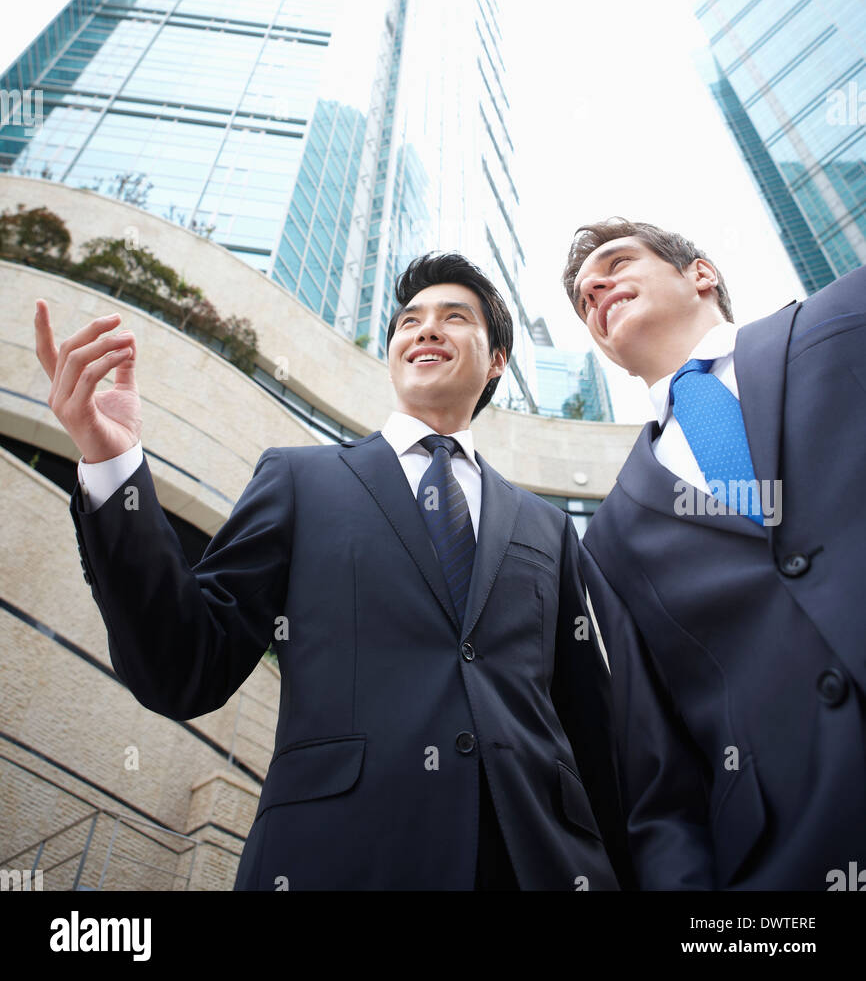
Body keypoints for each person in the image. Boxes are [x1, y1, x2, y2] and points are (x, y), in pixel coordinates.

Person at [34, 251, 632, 891]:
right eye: (409, 321)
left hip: (538, 864)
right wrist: (114, 467)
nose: (426, 329)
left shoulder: (547, 527)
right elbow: (186, 665)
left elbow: (594, 735)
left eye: (454, 317)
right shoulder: (300, 479)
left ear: (495, 362)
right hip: (334, 856)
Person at [562, 217, 866, 891]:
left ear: (700, 273)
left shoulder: (847, 316)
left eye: (616, 263)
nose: (597, 289)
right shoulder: (608, 539)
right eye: (584, 298)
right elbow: (661, 781)